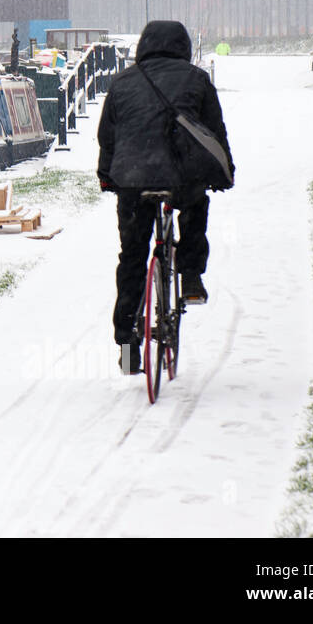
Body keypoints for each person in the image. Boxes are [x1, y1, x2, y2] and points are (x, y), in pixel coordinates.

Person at [97, 20, 234, 375]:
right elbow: (214, 134)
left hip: (131, 181)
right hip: (179, 177)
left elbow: (106, 137)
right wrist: (223, 174)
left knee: (131, 258)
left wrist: (107, 176)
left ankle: (128, 351)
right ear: (183, 47)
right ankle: (189, 276)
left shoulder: (122, 82)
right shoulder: (197, 80)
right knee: (194, 204)